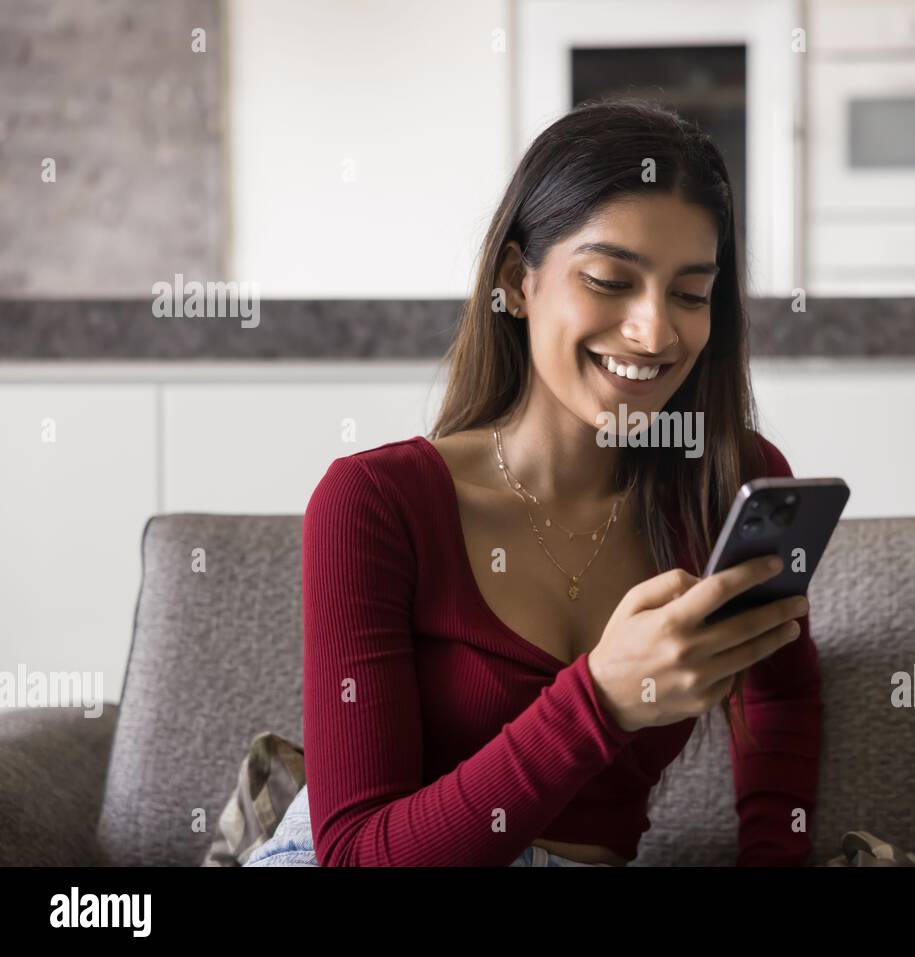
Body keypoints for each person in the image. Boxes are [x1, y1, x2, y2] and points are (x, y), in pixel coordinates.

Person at [257, 97, 821, 868]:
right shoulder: (375, 503)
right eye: (609, 280)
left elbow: (780, 694)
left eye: (690, 294)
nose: (654, 331)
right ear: (518, 282)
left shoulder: (730, 481)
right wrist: (601, 700)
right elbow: (357, 855)